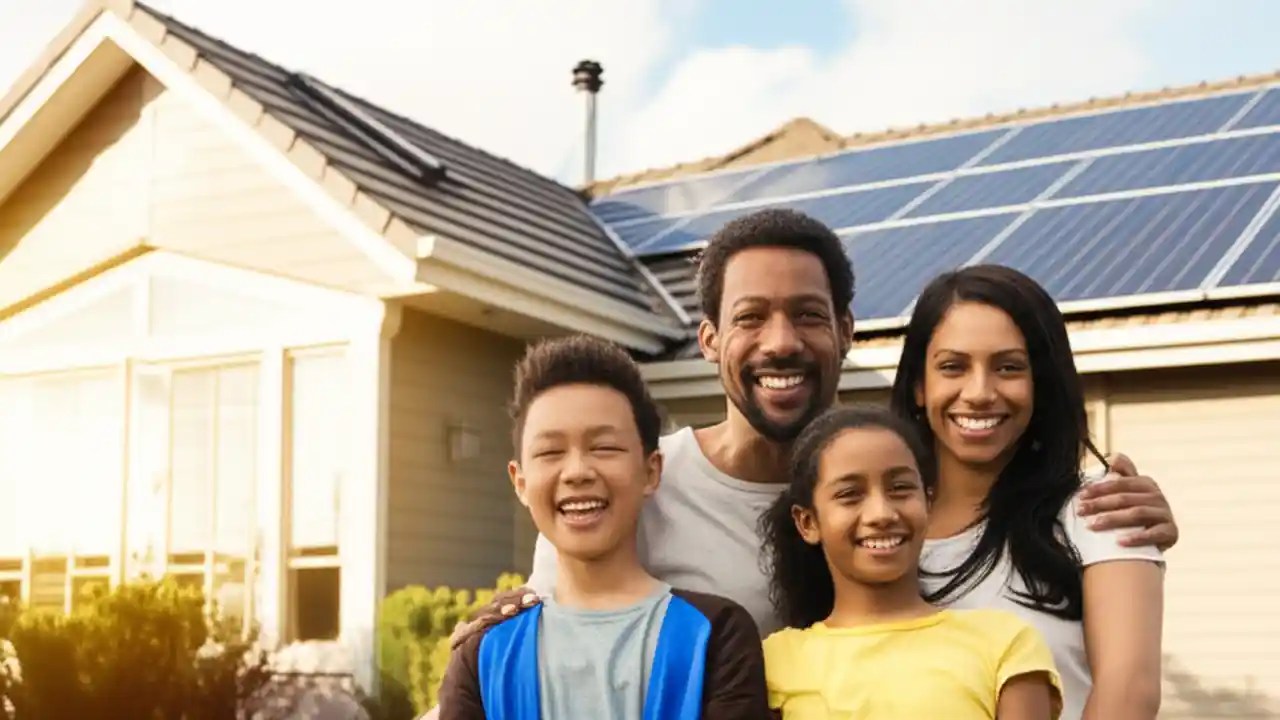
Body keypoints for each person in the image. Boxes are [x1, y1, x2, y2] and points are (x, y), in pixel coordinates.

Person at [419, 209, 1178, 718]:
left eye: (808, 316)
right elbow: (551, 645)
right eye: (750, 317)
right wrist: (483, 645)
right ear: (709, 340)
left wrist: (1119, 516)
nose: (781, 342)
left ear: (846, 330)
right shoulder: (636, 485)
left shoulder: (903, 497)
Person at [436, 335, 771, 720]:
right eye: (550, 452)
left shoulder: (715, 636)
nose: (577, 471)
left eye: (604, 447)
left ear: (651, 470)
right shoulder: (484, 652)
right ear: (520, 482)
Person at [890, 265, 1165, 720]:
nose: (979, 392)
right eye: (953, 367)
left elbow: (1129, 691)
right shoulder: (879, 527)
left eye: (1009, 367)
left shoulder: (1098, 510)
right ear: (920, 385)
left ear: (1041, 383)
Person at [761, 405, 1063, 719]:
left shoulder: (1005, 642)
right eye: (850, 494)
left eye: (900, 488)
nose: (881, 514)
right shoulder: (776, 661)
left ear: (928, 502)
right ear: (808, 522)